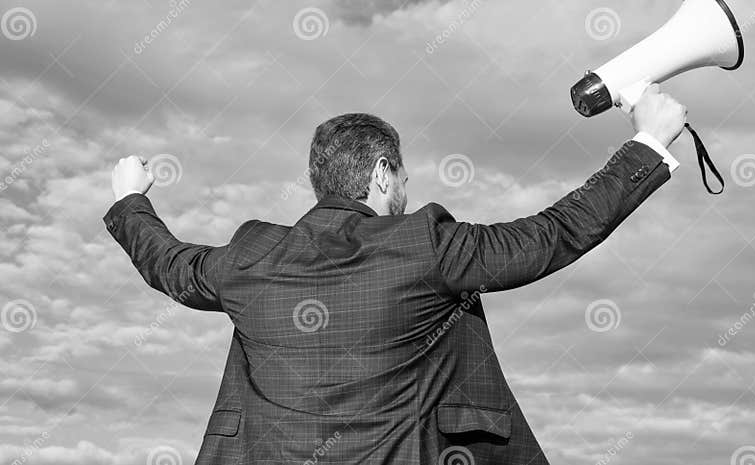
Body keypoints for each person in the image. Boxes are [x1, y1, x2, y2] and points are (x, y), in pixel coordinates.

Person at [104, 84, 686, 465]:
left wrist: (131, 198)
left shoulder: (251, 255)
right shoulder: (425, 245)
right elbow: (551, 235)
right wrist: (649, 140)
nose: (406, 191)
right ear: (383, 172)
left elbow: (171, 266)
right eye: (402, 177)